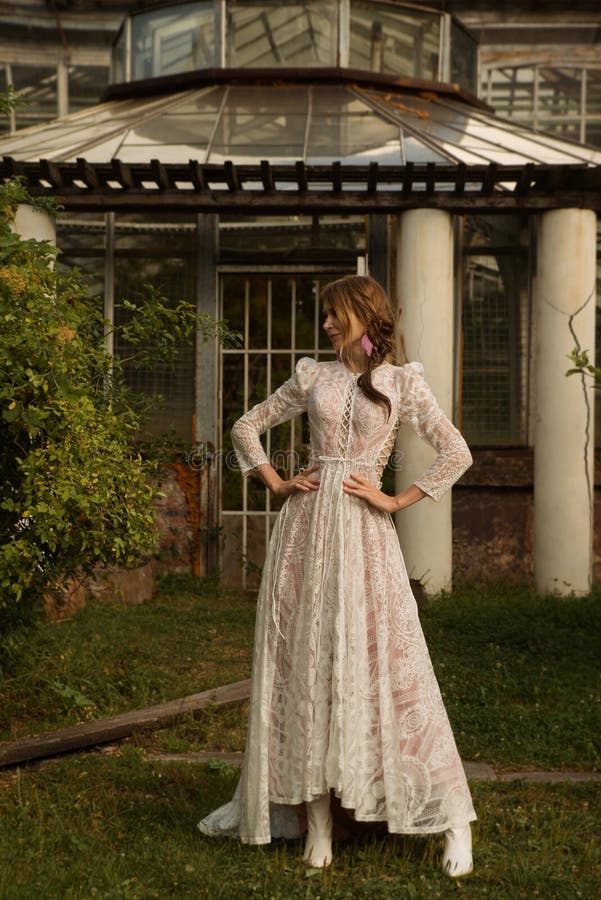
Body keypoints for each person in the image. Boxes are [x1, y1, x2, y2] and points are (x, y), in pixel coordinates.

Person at [198, 275, 476, 878]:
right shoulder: (313, 377)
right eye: (323, 315)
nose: (325, 324)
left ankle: (453, 817)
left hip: (366, 539)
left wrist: (398, 500)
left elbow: (456, 450)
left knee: (392, 668)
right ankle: (318, 825)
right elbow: (247, 426)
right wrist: (275, 482)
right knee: (309, 669)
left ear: (365, 315)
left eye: (335, 314)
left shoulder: (403, 382)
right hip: (305, 535)